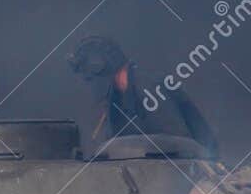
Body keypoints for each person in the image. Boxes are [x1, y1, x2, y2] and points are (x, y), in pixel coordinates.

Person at [67, 36, 219, 158]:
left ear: (101, 69)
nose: (89, 85)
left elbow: (180, 146)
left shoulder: (150, 87)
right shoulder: (116, 99)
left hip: (197, 174)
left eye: (89, 78)